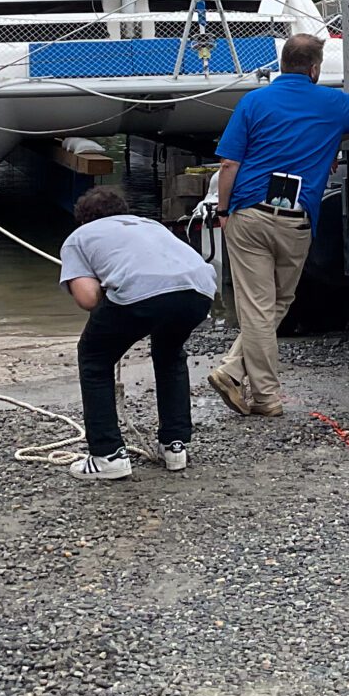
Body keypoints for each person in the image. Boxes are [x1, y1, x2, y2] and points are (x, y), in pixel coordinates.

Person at [209, 33, 349, 417]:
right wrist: (331, 137)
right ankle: (263, 394)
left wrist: (222, 210)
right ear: (315, 69)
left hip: (249, 213)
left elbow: (229, 164)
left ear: (283, 63)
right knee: (278, 303)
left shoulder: (253, 101)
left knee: (258, 307)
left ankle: (234, 372)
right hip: (296, 220)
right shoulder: (332, 103)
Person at [56, 186, 217, 482]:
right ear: (123, 212)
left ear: (82, 220)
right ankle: (174, 445)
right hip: (199, 289)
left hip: (143, 293)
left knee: (94, 358)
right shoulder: (150, 224)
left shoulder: (79, 238)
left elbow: (88, 299)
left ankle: (107, 455)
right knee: (169, 354)